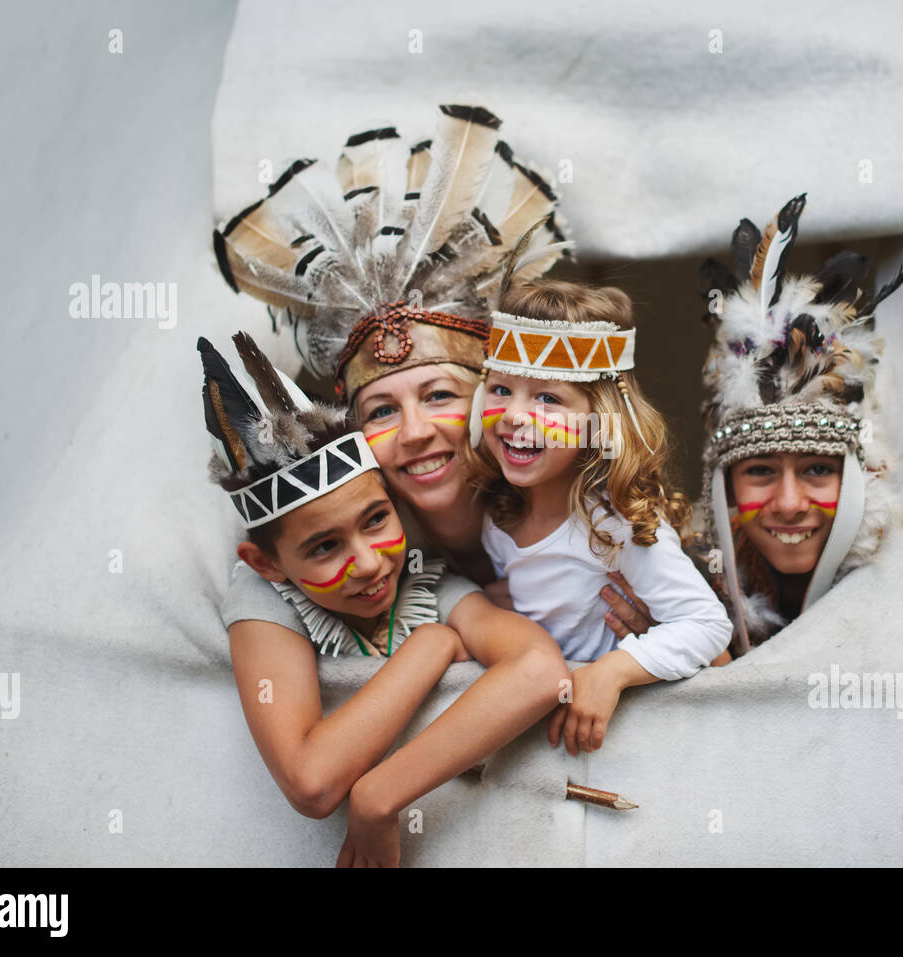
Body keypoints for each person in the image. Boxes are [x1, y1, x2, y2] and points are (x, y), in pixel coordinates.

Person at [212, 103, 652, 638]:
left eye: (440, 396)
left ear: (493, 401)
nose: (416, 433)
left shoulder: (601, 520)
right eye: (381, 410)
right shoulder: (358, 556)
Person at [199, 332, 568, 867]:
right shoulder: (262, 600)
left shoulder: (424, 581)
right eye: (325, 547)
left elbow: (540, 672)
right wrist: (432, 646)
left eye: (376, 521)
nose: (369, 563)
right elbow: (312, 782)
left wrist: (377, 796)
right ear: (267, 564)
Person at [466, 279, 733, 756]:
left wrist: (613, 671)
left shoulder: (617, 524)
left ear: (600, 419)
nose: (514, 416)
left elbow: (708, 625)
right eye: (501, 389)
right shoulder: (498, 513)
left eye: (548, 398)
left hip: (619, 740)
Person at [695, 193, 903, 654]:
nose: (791, 504)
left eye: (818, 468)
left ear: (862, 474)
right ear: (724, 487)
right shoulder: (681, 593)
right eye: (760, 470)